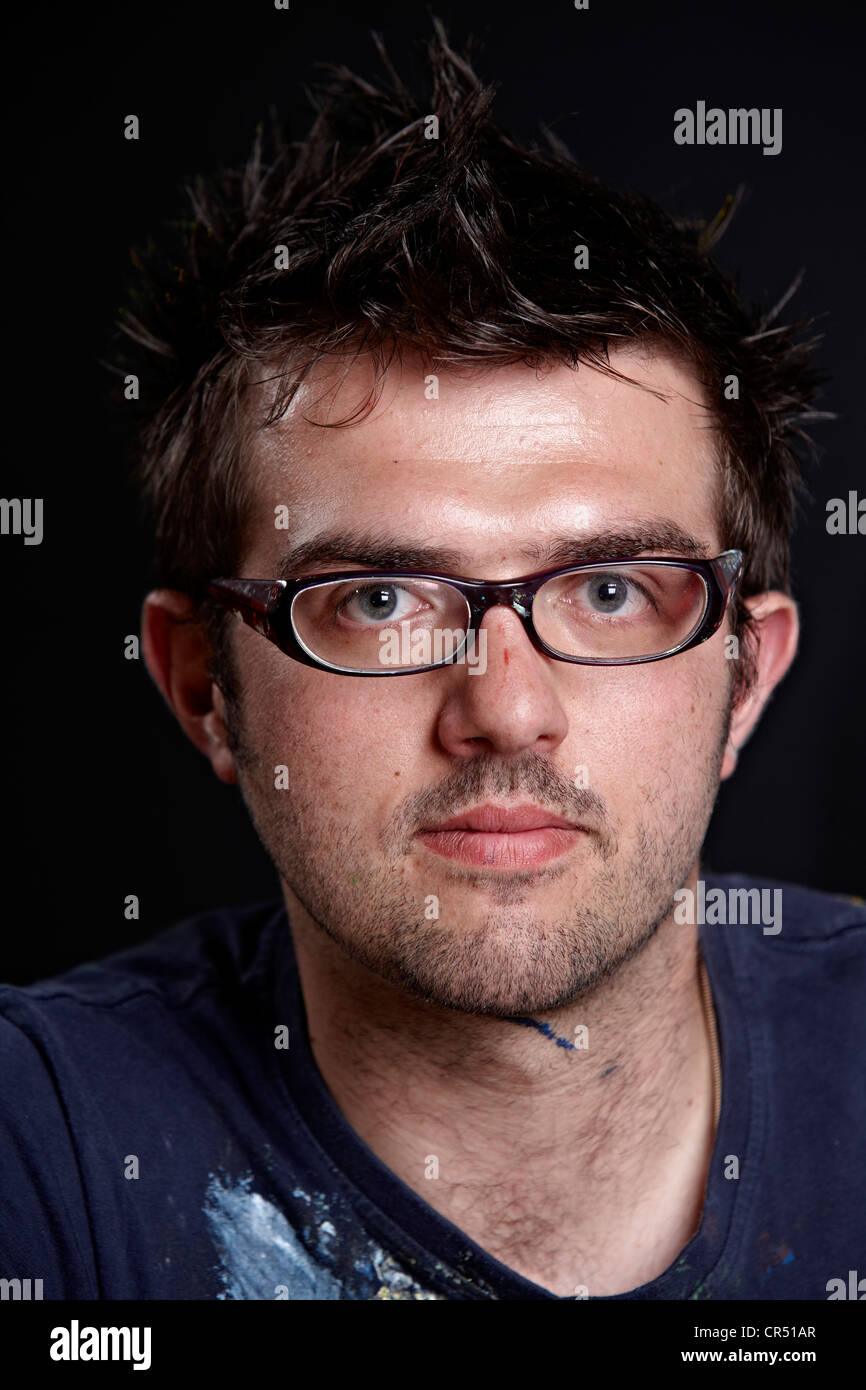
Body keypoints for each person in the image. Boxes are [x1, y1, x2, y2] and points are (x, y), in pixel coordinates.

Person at [1, 20, 862, 1301]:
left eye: (612, 590)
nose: (506, 709)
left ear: (746, 676)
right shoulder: (41, 1148)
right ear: (202, 686)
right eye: (381, 596)